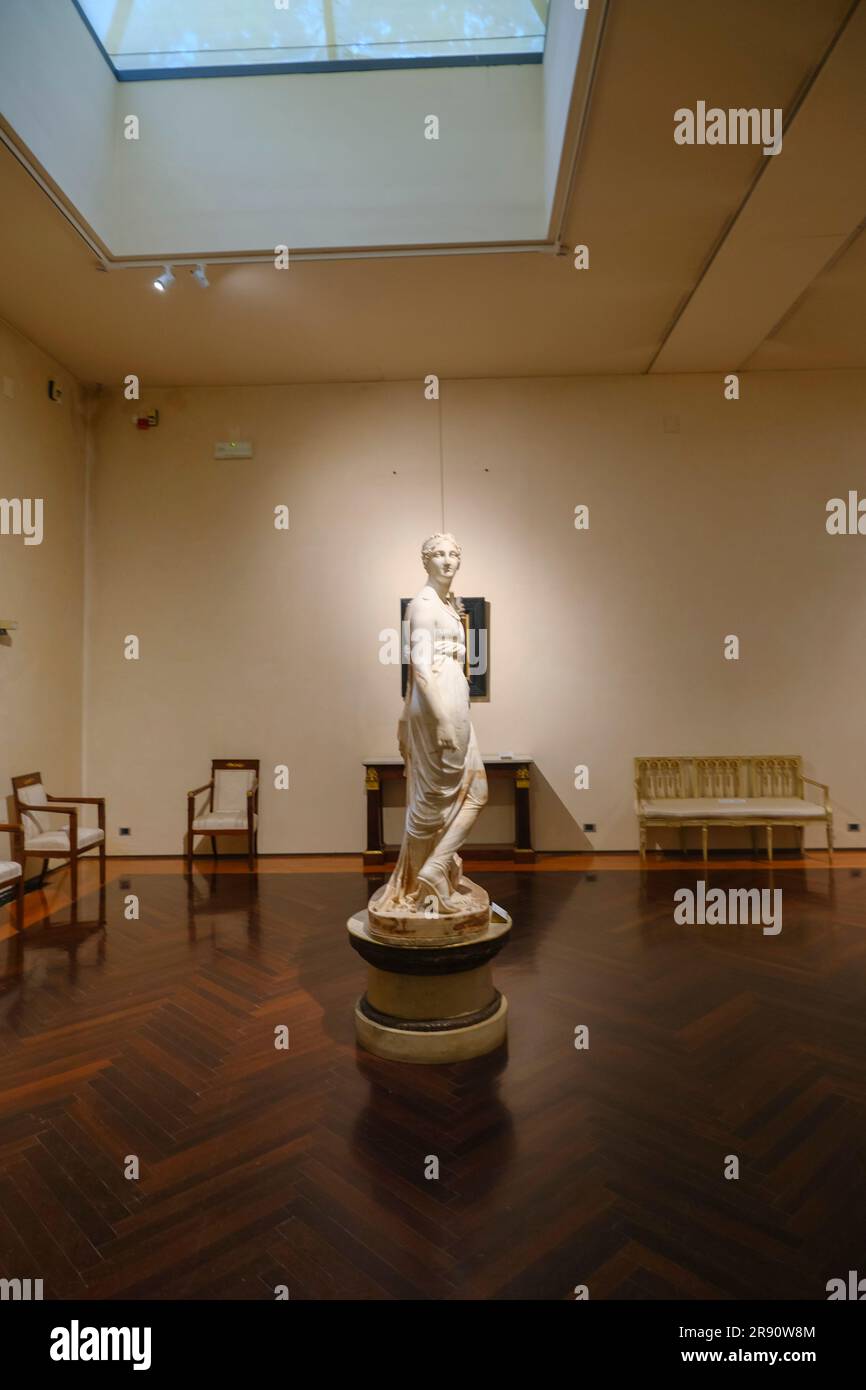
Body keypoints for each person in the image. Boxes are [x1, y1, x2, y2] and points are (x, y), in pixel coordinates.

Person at [370, 533, 488, 920]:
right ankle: (421, 883)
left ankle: (435, 869)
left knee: (476, 790)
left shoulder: (446, 603)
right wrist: (435, 721)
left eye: (454, 553)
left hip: (450, 698)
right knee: (434, 803)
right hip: (439, 703)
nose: (448, 560)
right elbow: (418, 668)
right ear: (425, 561)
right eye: (439, 554)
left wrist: (407, 714)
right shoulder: (423, 606)